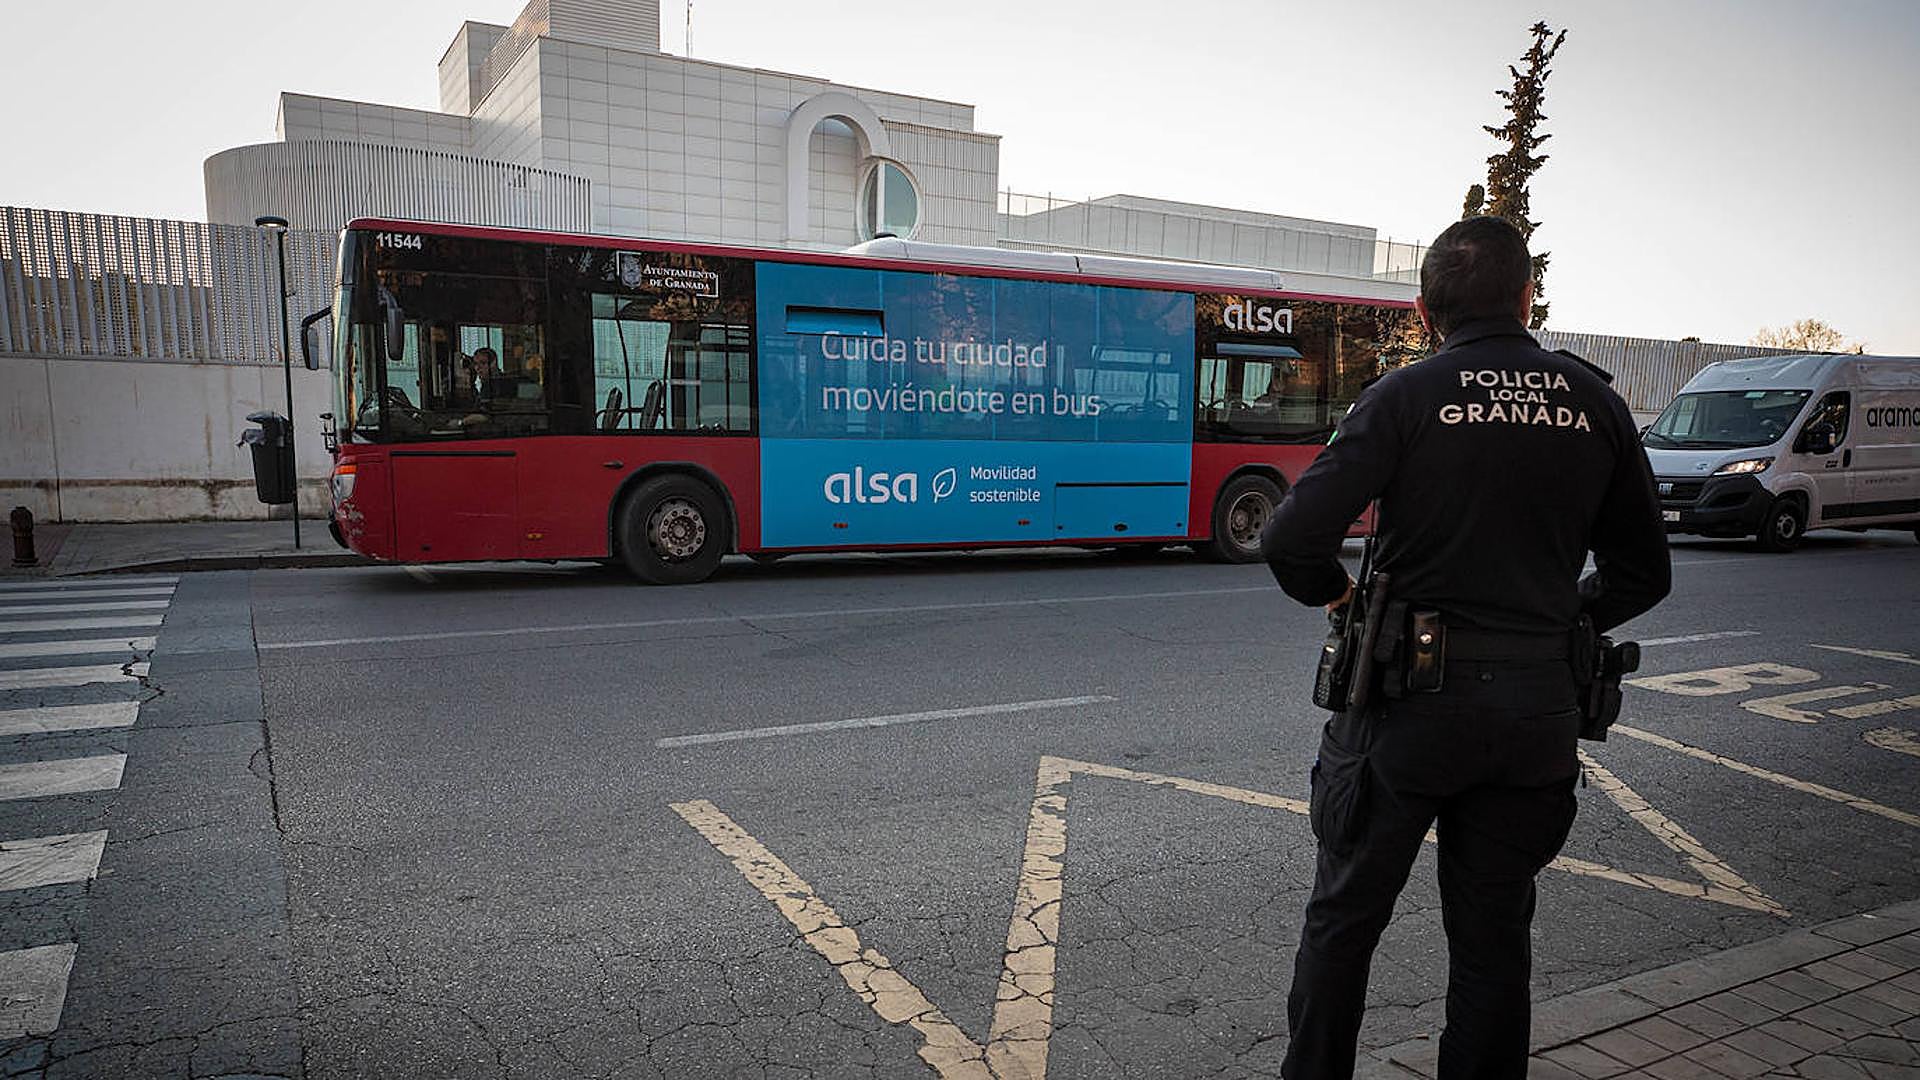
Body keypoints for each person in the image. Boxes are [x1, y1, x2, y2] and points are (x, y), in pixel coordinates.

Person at [1260, 215, 1670, 1080]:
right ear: (1529, 297)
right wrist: (1566, 620)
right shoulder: (1595, 401)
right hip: (1535, 715)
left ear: (1423, 308)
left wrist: (1344, 597)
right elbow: (1643, 573)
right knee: (1492, 940)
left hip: (1406, 706)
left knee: (1345, 920)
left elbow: (1293, 540)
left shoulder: (1407, 396)